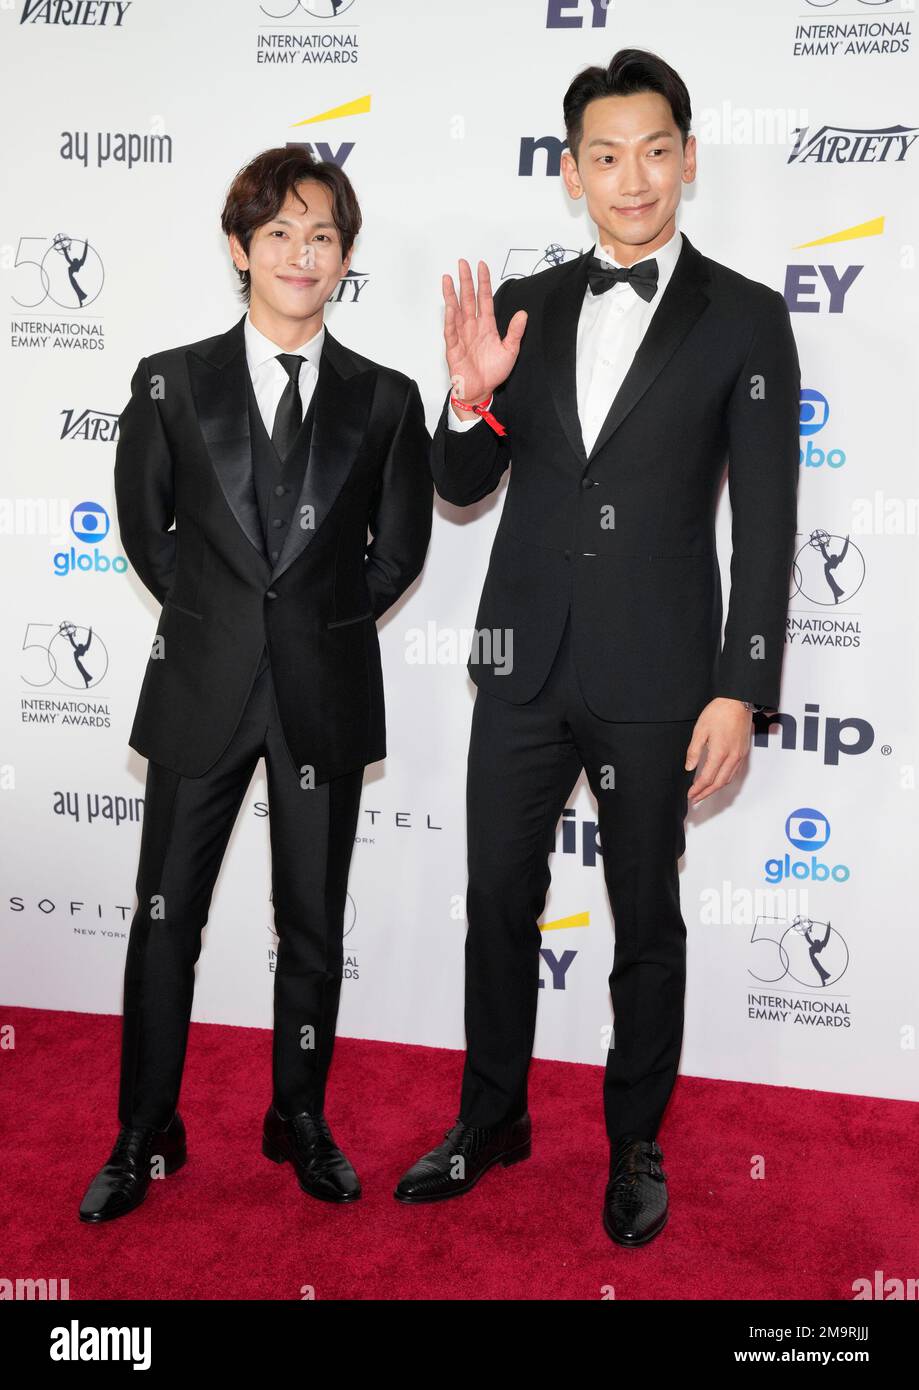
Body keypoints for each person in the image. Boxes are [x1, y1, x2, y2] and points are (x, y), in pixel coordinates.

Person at [395, 49, 800, 1247]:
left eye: (655, 151)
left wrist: (743, 686)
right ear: (571, 172)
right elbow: (458, 486)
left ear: (687, 156)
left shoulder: (746, 316)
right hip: (522, 663)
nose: (633, 178)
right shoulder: (532, 303)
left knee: (643, 919)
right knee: (496, 905)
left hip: (658, 676)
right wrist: (469, 398)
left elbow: (769, 520)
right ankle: (491, 1119)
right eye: (605, 157)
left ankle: (634, 1143)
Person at [79, 147, 432, 1223]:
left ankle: (299, 1116)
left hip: (320, 694)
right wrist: (229, 625)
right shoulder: (170, 379)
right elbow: (149, 532)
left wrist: (312, 629)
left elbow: (398, 552)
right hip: (200, 691)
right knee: (163, 919)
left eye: (321, 234)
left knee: (313, 923)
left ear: (345, 258)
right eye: (277, 232)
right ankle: (145, 1133)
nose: (299, 251)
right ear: (240, 249)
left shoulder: (385, 398)